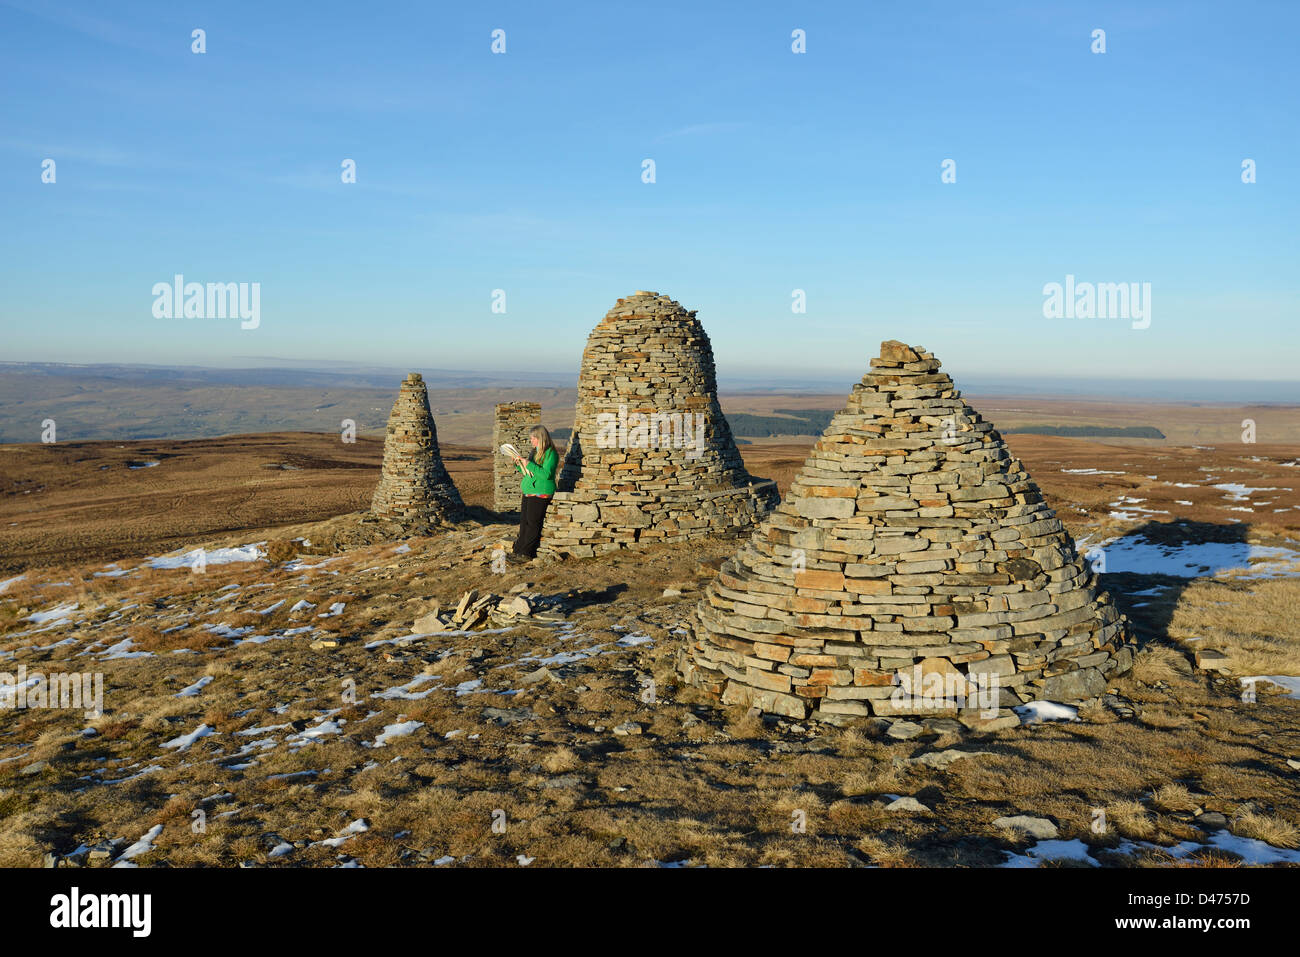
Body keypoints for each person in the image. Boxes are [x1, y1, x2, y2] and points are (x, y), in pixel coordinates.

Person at [507, 425, 558, 562]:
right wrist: (518, 464)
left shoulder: (551, 454)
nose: (531, 441)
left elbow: (546, 474)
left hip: (541, 492)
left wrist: (528, 463)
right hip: (529, 491)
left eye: (533, 438)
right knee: (524, 523)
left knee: (533, 523)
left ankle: (526, 554)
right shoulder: (534, 452)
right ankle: (518, 551)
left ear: (540, 438)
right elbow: (528, 473)